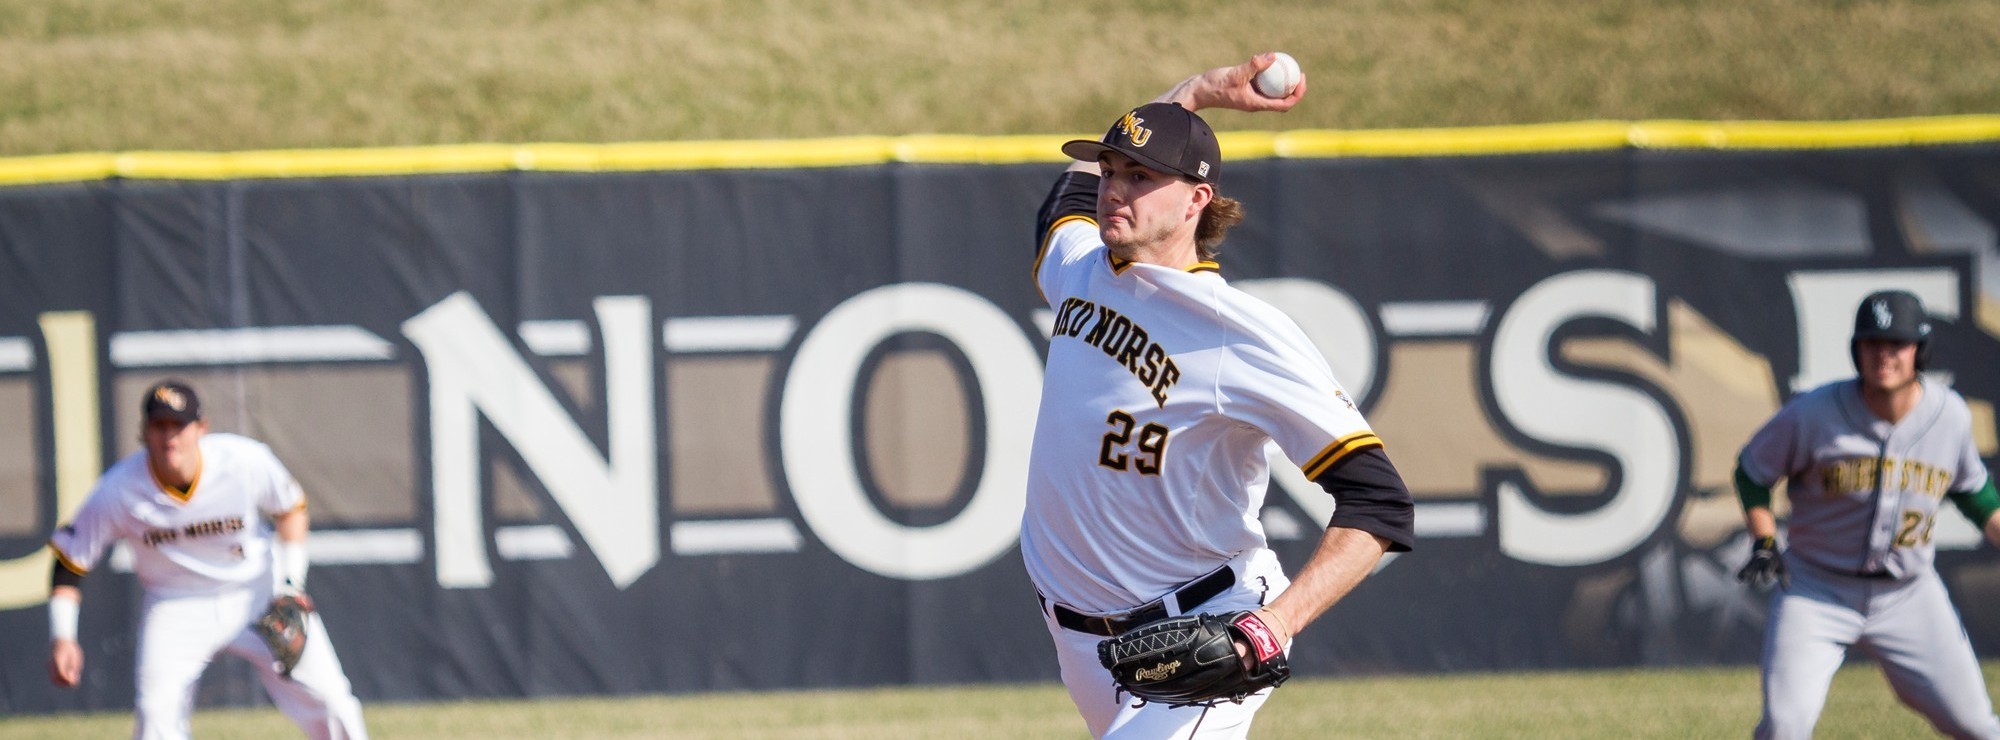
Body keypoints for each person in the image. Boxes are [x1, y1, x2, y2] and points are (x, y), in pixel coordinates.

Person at [1020, 54, 1416, 738]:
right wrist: (1193, 96)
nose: (1114, 188)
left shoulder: (1240, 332)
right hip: (1084, 645)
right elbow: (1065, 199)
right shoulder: (1084, 270)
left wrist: (1271, 629)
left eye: (1139, 176)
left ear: (1196, 199)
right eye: (1111, 171)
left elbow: (1380, 503)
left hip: (1201, 635)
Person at [1734, 290, 2000, 739]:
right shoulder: (1812, 413)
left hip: (1909, 595)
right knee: (1784, 726)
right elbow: (1751, 473)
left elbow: (1977, 496)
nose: (1883, 355)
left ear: (1920, 350)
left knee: (1978, 727)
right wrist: (1764, 540)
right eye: (1871, 343)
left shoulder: (1949, 415)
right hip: (1816, 590)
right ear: (1856, 349)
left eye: (1896, 344)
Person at [46, 380, 368, 740]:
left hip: (258, 592)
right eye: (159, 426)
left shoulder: (243, 461)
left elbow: (291, 508)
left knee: (333, 702)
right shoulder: (119, 490)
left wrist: (290, 586)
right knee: (155, 717)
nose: (170, 437)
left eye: (179, 425)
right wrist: (63, 637)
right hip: (176, 604)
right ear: (144, 432)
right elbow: (71, 562)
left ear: (201, 429)